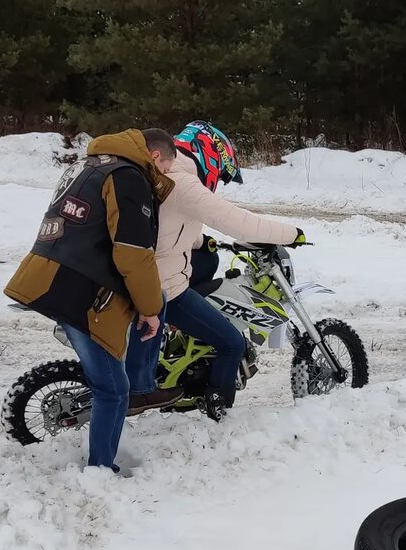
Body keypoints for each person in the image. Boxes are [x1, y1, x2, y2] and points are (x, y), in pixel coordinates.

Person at [5, 127, 179, 476]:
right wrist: (150, 309)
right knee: (114, 389)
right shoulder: (129, 177)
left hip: (49, 276)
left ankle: (102, 460)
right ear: (156, 157)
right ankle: (100, 469)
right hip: (80, 290)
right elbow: (133, 254)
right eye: (168, 169)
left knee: (111, 382)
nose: (165, 176)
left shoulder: (91, 165)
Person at [125, 121, 304, 422]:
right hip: (163, 285)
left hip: (146, 272)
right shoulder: (185, 182)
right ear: (210, 155)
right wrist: (290, 233)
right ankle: (220, 415)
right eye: (220, 173)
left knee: (207, 261)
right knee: (231, 343)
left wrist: (198, 240)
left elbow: (167, 224)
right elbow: (237, 221)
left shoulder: (163, 171)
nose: (217, 180)